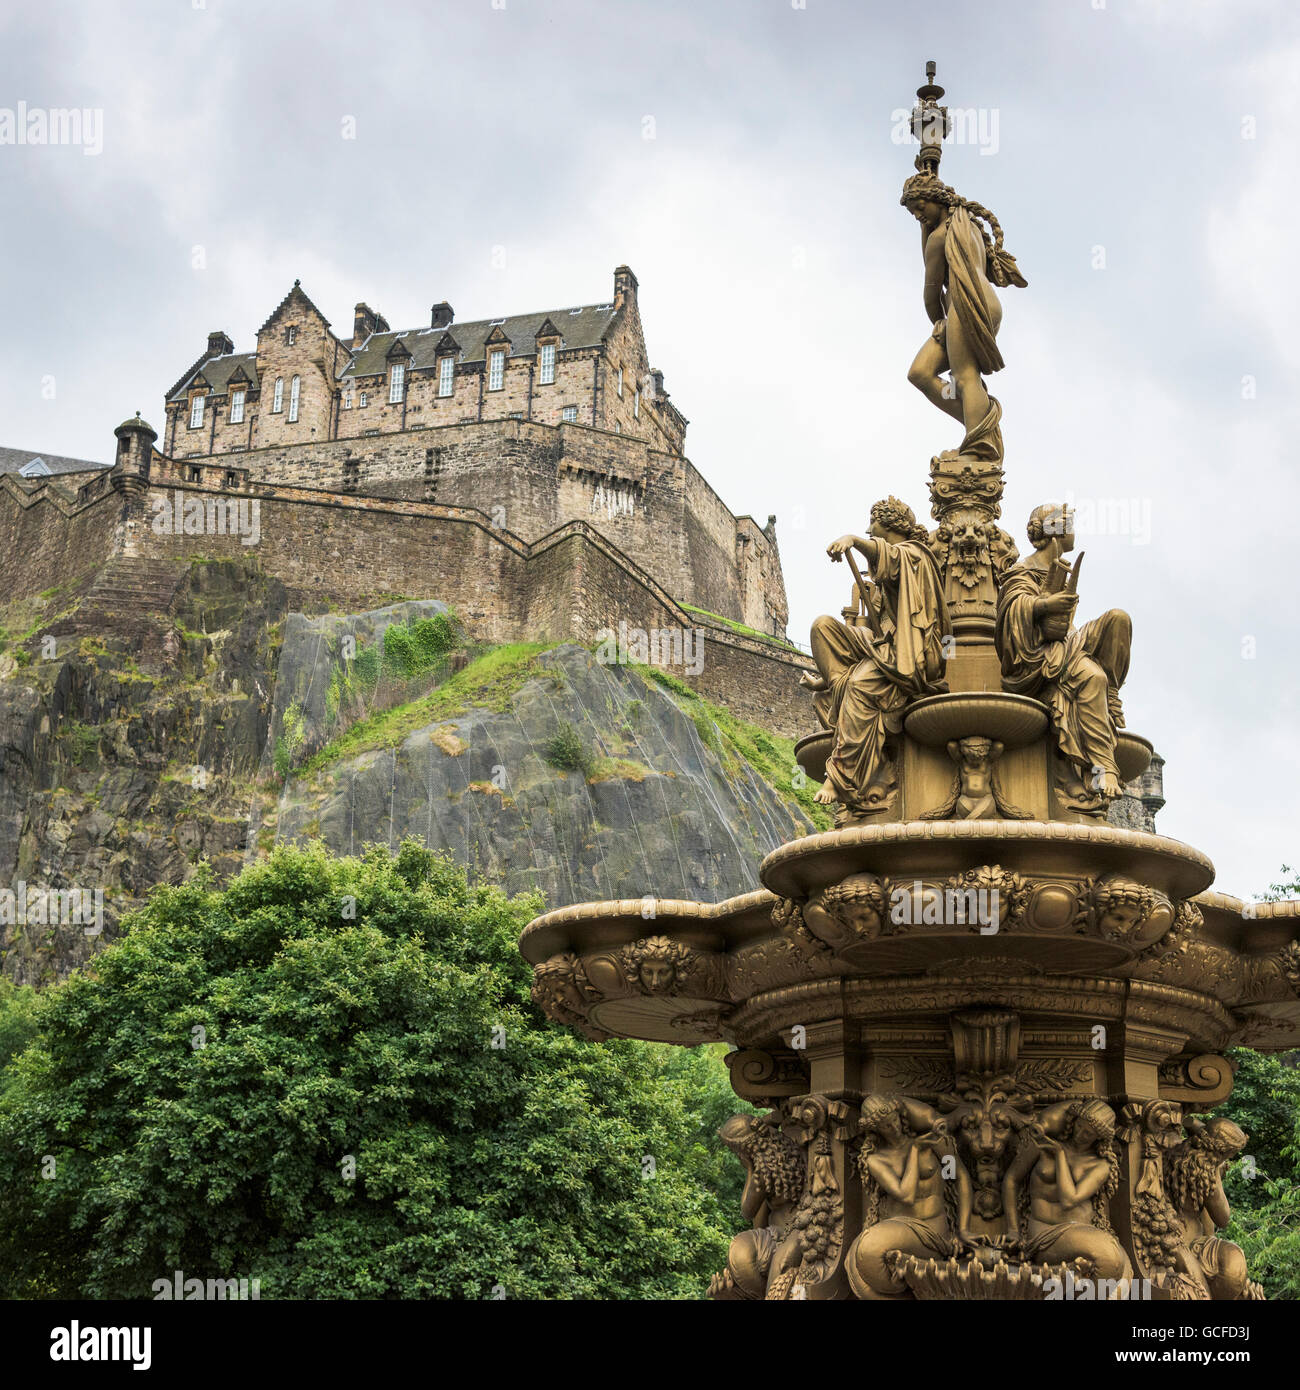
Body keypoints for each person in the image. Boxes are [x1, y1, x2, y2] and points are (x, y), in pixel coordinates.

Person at [800, 497, 949, 816]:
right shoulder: (882, 578)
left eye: (873, 523)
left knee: (860, 686)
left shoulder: (915, 557)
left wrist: (854, 540)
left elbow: (891, 556)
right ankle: (835, 684)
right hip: (881, 647)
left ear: (889, 525)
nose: (869, 528)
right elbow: (871, 628)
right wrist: (821, 681)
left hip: (910, 656)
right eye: (866, 527)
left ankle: (840, 777)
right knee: (823, 627)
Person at [996, 503, 1131, 800]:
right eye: (1070, 524)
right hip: (1039, 656)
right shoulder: (1023, 570)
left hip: (1066, 642)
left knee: (1118, 619)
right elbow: (1010, 614)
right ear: (1056, 530)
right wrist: (1046, 605)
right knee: (1091, 677)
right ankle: (1104, 767)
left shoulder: (1061, 568)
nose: (1074, 531)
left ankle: (1111, 690)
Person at [900, 172, 1026, 461]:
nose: (918, 215)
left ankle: (979, 446)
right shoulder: (966, 223)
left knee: (965, 375)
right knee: (920, 372)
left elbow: (931, 290)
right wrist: (925, 226)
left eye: (920, 207)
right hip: (986, 302)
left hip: (964, 304)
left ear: (935, 200)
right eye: (912, 212)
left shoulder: (940, 236)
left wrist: (938, 321)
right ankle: (980, 427)